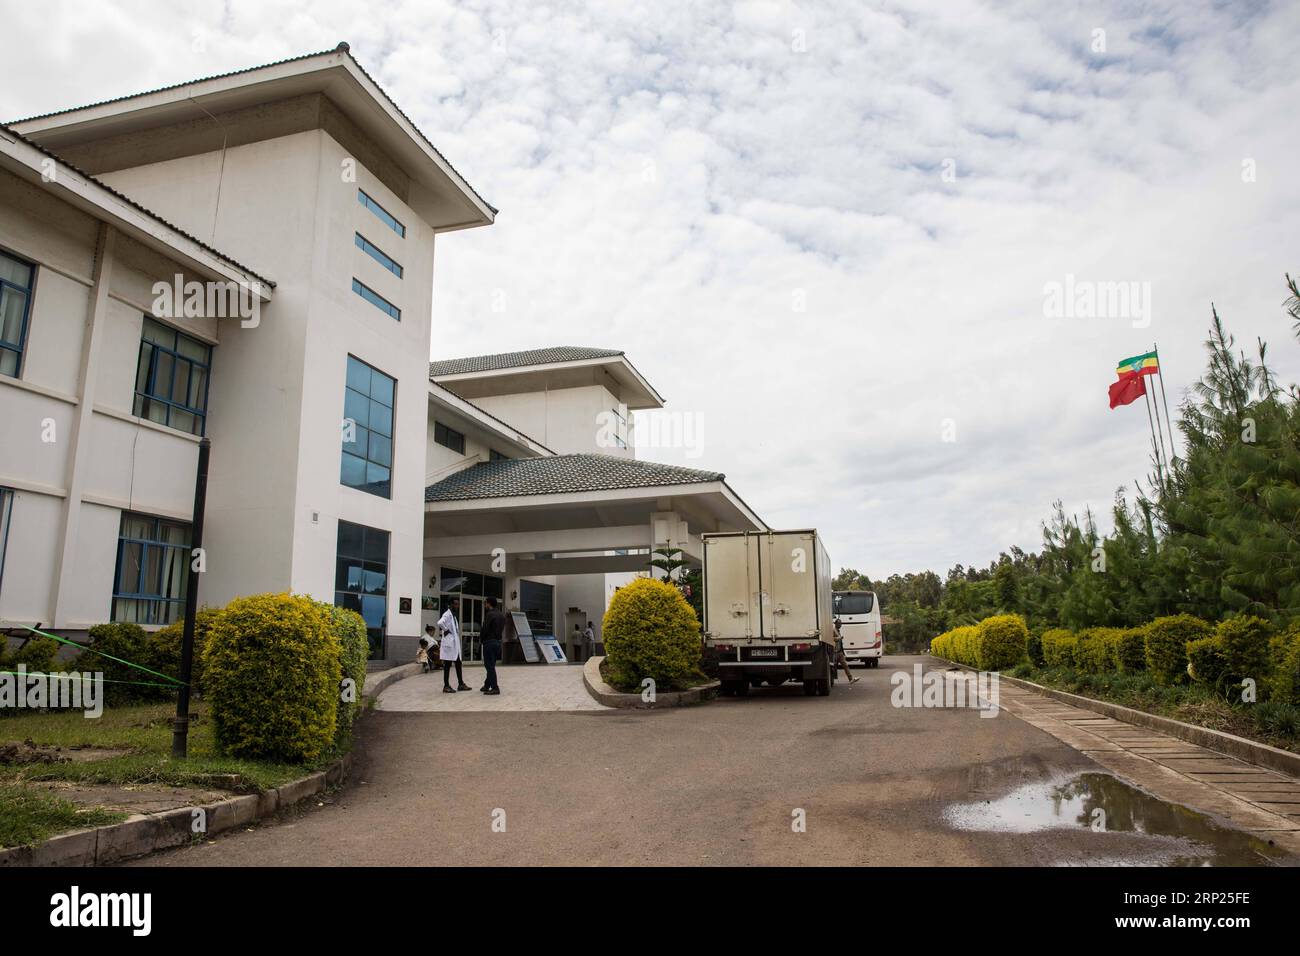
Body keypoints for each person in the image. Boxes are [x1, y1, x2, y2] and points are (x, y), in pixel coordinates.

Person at [438, 598, 471, 693]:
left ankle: (461, 684)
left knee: (458, 663)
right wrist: (445, 630)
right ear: (450, 605)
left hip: (454, 644)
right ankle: (446, 686)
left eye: (458, 604)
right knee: (447, 665)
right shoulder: (447, 614)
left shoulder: (453, 616)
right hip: (449, 643)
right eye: (455, 604)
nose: (457, 606)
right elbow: (440, 622)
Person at [479, 597, 507, 695]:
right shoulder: (501, 615)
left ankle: (495, 688)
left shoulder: (489, 614)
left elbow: (485, 629)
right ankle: (487, 685)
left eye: (485, 603)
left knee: (489, 666)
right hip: (497, 642)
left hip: (489, 642)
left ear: (489, 603)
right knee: (491, 665)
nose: (484, 605)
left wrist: (481, 640)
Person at [832, 617, 860, 684]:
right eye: (839, 623)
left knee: (845, 665)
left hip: (840, 652)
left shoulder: (838, 630)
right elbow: (831, 638)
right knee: (833, 667)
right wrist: (839, 638)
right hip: (835, 652)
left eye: (841, 624)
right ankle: (831, 680)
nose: (840, 625)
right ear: (835, 624)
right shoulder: (833, 630)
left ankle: (850, 679)